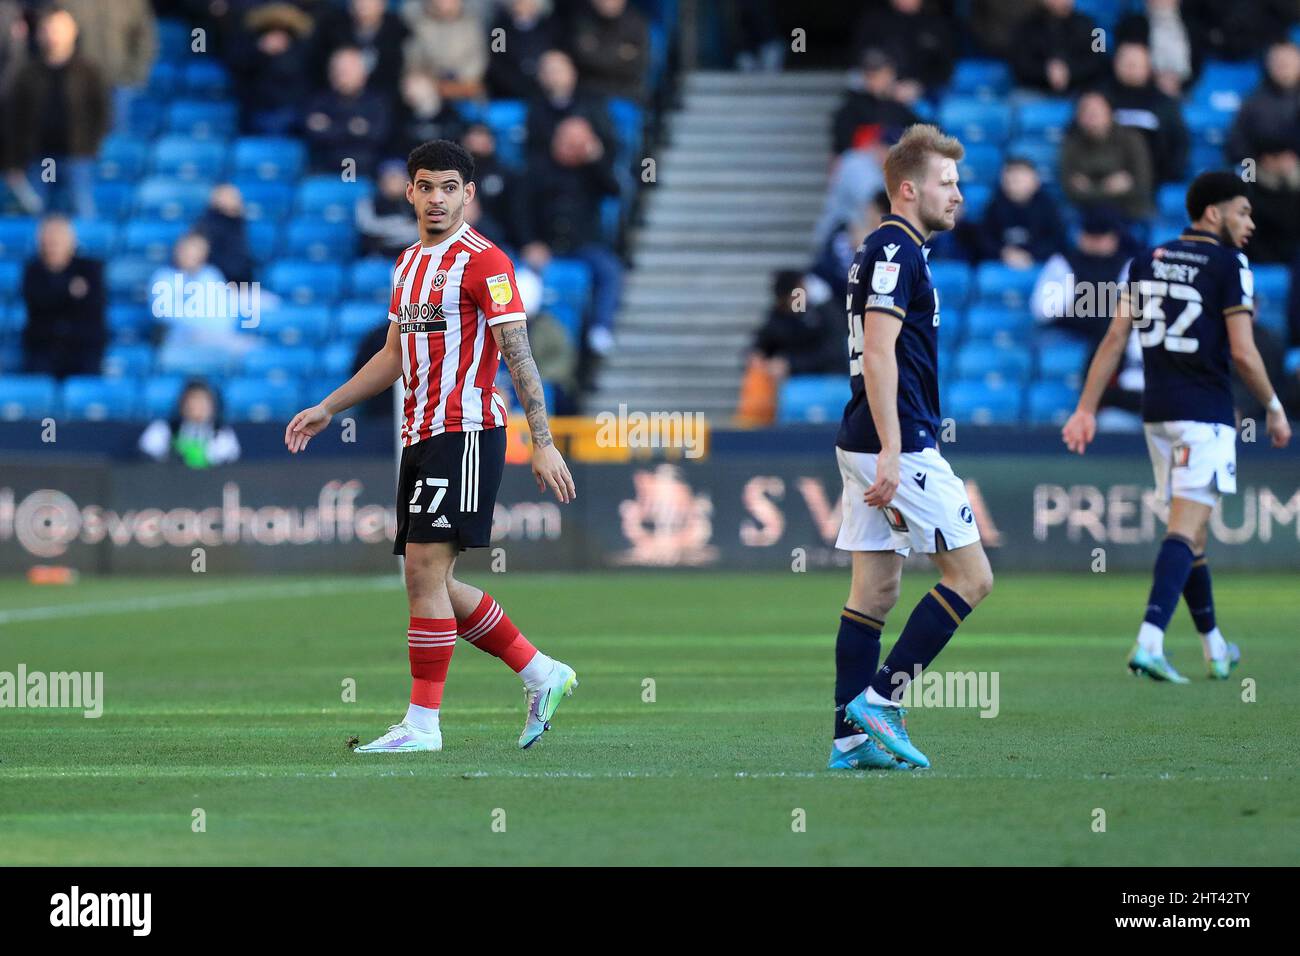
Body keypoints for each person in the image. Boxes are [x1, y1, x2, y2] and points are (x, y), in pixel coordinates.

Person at [285, 140, 579, 754]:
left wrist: (544, 441)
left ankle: (423, 726)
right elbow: (393, 355)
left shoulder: (486, 263)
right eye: (427, 186)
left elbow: (520, 354)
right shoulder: (408, 265)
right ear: (410, 192)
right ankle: (541, 672)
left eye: (450, 186)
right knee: (432, 580)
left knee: (422, 572)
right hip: (418, 435)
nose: (438, 198)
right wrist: (328, 406)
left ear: (468, 194)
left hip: (467, 431)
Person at [1062, 172, 1293, 682]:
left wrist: (1086, 408)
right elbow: (1242, 350)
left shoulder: (1146, 260)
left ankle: (1214, 647)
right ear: (1213, 213)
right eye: (1242, 211)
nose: (1250, 223)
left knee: (1194, 537)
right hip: (1204, 415)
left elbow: (1114, 337)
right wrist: (1274, 406)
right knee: (1183, 531)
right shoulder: (1230, 264)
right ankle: (1149, 641)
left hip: (1158, 414)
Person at [828, 125, 994, 772]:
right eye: (946, 183)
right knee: (973, 577)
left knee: (874, 592)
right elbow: (877, 351)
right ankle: (883, 700)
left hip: (868, 436)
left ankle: (848, 739)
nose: (957, 195)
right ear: (908, 188)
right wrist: (896, 448)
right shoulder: (896, 251)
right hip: (897, 439)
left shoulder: (892, 249)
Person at [3, 7, 108, 217]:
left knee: (82, 211)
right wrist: (12, 162)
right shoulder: (28, 74)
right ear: (40, 33)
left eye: (59, 28)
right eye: (48, 29)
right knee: (38, 214)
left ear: (73, 31)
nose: (54, 35)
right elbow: (14, 121)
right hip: (40, 158)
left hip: (77, 157)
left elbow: (102, 114)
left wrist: (90, 146)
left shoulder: (89, 72)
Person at [21, 215, 105, 380]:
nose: (52, 244)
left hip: (83, 350)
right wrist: (69, 290)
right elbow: (37, 302)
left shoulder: (90, 268)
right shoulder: (33, 270)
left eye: (58, 239)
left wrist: (56, 293)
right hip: (43, 348)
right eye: (49, 239)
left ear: (71, 241)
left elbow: (94, 304)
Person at [1059, 90, 1154, 220]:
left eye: (1097, 110)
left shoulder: (1132, 139)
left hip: (1128, 213)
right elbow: (1068, 188)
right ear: (1079, 117)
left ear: (1110, 112)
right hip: (1087, 214)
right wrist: (1110, 188)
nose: (1092, 115)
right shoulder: (1071, 143)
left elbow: (1142, 185)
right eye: (1086, 111)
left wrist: (1090, 188)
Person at [1107, 39, 1189, 185]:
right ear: (1115, 65)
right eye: (1126, 63)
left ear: (1148, 67)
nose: (1130, 68)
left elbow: (1179, 142)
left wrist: (1168, 175)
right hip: (1108, 176)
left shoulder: (1164, 103)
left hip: (1155, 178)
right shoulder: (1101, 99)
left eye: (1135, 64)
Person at [303, 46, 391, 177]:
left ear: (363, 73)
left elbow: (378, 136)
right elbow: (312, 134)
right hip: (324, 169)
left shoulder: (377, 102)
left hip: (364, 170)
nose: (340, 75)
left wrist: (331, 127)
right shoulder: (319, 101)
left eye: (347, 71)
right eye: (337, 70)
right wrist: (352, 128)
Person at [975, 157, 1064, 266]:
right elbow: (984, 238)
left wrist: (1031, 255)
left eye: (1020, 180)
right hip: (1002, 262)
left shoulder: (1047, 205)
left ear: (1035, 181)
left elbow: (1057, 239)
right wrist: (1003, 252)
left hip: (1040, 262)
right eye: (1010, 180)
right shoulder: (995, 204)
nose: (1014, 185)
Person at [831, 49, 921, 155]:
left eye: (879, 74)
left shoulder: (906, 105)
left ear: (891, 74)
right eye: (869, 76)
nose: (874, 80)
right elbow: (842, 146)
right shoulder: (852, 107)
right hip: (864, 160)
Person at [1225, 41, 1300, 165]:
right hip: (1260, 167)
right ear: (1268, 65)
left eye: (1288, 62)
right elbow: (1236, 143)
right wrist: (1260, 160)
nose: (1283, 66)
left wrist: (1294, 158)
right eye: (1278, 62)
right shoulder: (1252, 101)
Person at [139, 379, 241, 469]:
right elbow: (148, 455)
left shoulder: (222, 434)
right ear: (182, 405)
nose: (198, 408)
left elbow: (227, 465)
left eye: (203, 402)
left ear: (213, 406)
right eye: (193, 402)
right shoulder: (163, 429)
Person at [1010, 0, 1105, 94]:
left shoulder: (1090, 24)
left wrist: (1069, 71)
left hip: (1080, 92)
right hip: (1036, 92)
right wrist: (1046, 71)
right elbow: (1019, 64)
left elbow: (1099, 60)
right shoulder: (1026, 26)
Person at [567, 0, 650, 103]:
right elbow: (579, 57)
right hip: (586, 94)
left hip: (626, 96)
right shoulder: (582, 21)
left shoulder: (636, 24)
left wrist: (596, 51)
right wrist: (619, 53)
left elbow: (638, 65)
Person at [357, 158, 421, 258]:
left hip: (414, 255)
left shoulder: (419, 202)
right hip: (379, 255)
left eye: (399, 178)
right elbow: (367, 227)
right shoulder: (368, 202)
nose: (394, 183)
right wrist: (398, 224)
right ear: (381, 182)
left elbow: (422, 231)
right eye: (390, 178)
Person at [193, 184, 254, 286]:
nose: (236, 200)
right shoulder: (207, 226)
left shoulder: (239, 224)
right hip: (216, 283)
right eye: (230, 197)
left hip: (241, 283)